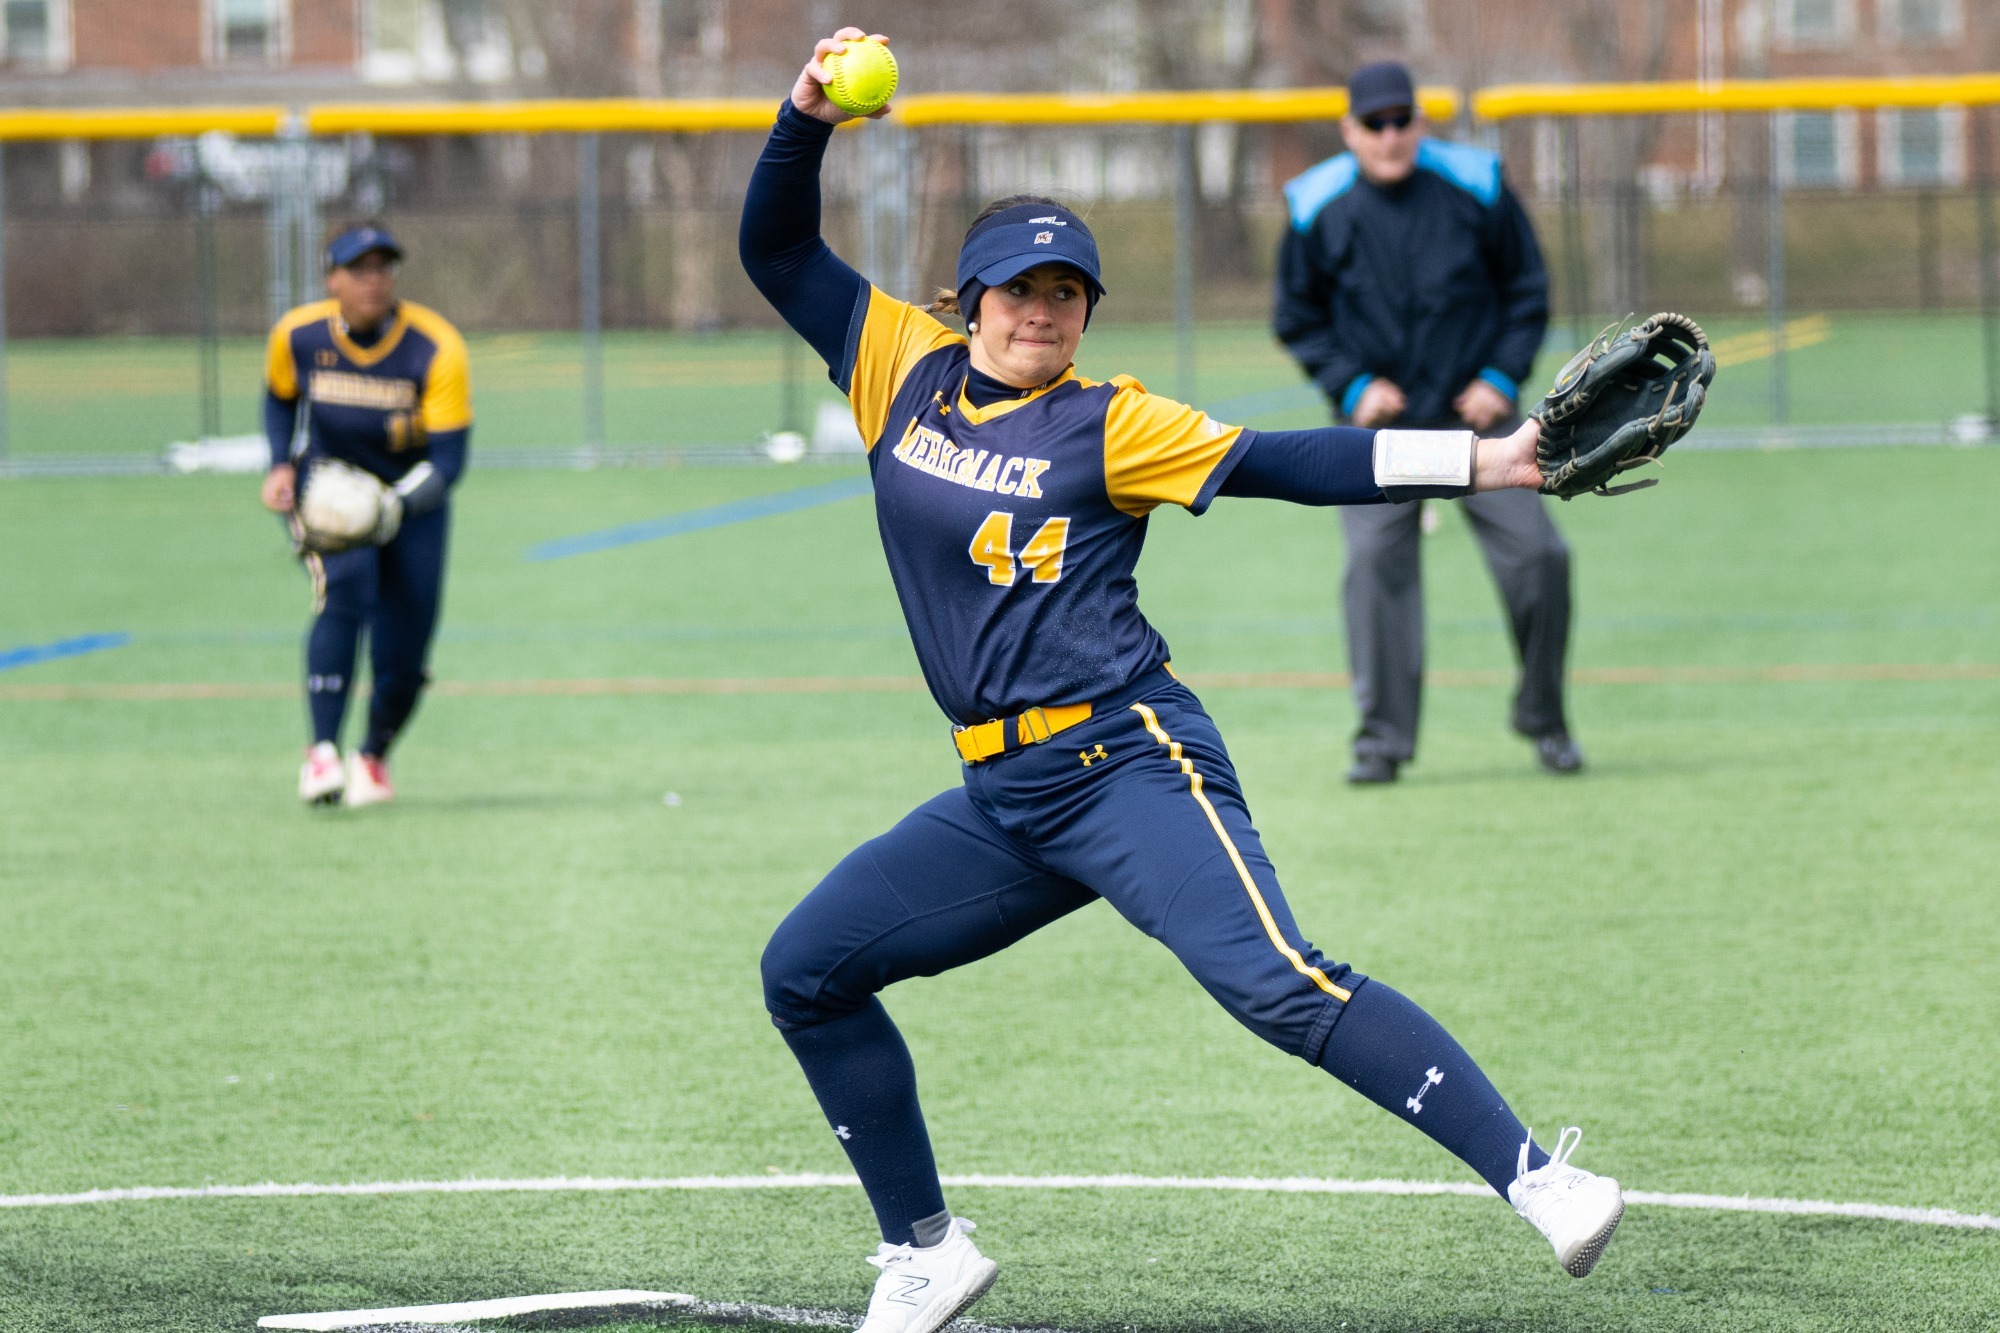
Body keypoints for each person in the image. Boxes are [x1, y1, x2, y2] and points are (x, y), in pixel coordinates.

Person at [742, 31, 1622, 1333]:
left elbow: (1286, 459)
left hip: (1125, 761)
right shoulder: (897, 371)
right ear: (967, 298)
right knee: (806, 968)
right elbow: (777, 251)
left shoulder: (1110, 420)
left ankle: (1539, 1177)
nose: (1042, 310)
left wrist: (1485, 463)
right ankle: (925, 1252)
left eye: (1067, 291)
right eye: (1017, 288)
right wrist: (805, 115)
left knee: (1276, 979)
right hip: (1002, 795)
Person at [1275, 61, 1583, 784]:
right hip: (1378, 433)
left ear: (1420, 121)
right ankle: (1380, 741)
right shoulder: (1315, 203)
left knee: (1541, 556)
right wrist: (1349, 385)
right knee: (1373, 567)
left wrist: (1501, 377)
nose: (1389, 135)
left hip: (1481, 420)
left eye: (1400, 120)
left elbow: (1526, 289)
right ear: (1349, 129)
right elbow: (1298, 316)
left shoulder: (1476, 183)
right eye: (1373, 123)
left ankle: (1544, 716)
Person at [259, 223, 471, 807]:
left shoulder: (434, 346)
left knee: (405, 651)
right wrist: (280, 464)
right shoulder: (299, 335)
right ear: (333, 279)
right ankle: (321, 753)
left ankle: (372, 755)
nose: (372, 281)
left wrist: (390, 507)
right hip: (326, 488)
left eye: (383, 268)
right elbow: (280, 397)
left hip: (410, 502)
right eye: (358, 269)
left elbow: (449, 461)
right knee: (347, 586)